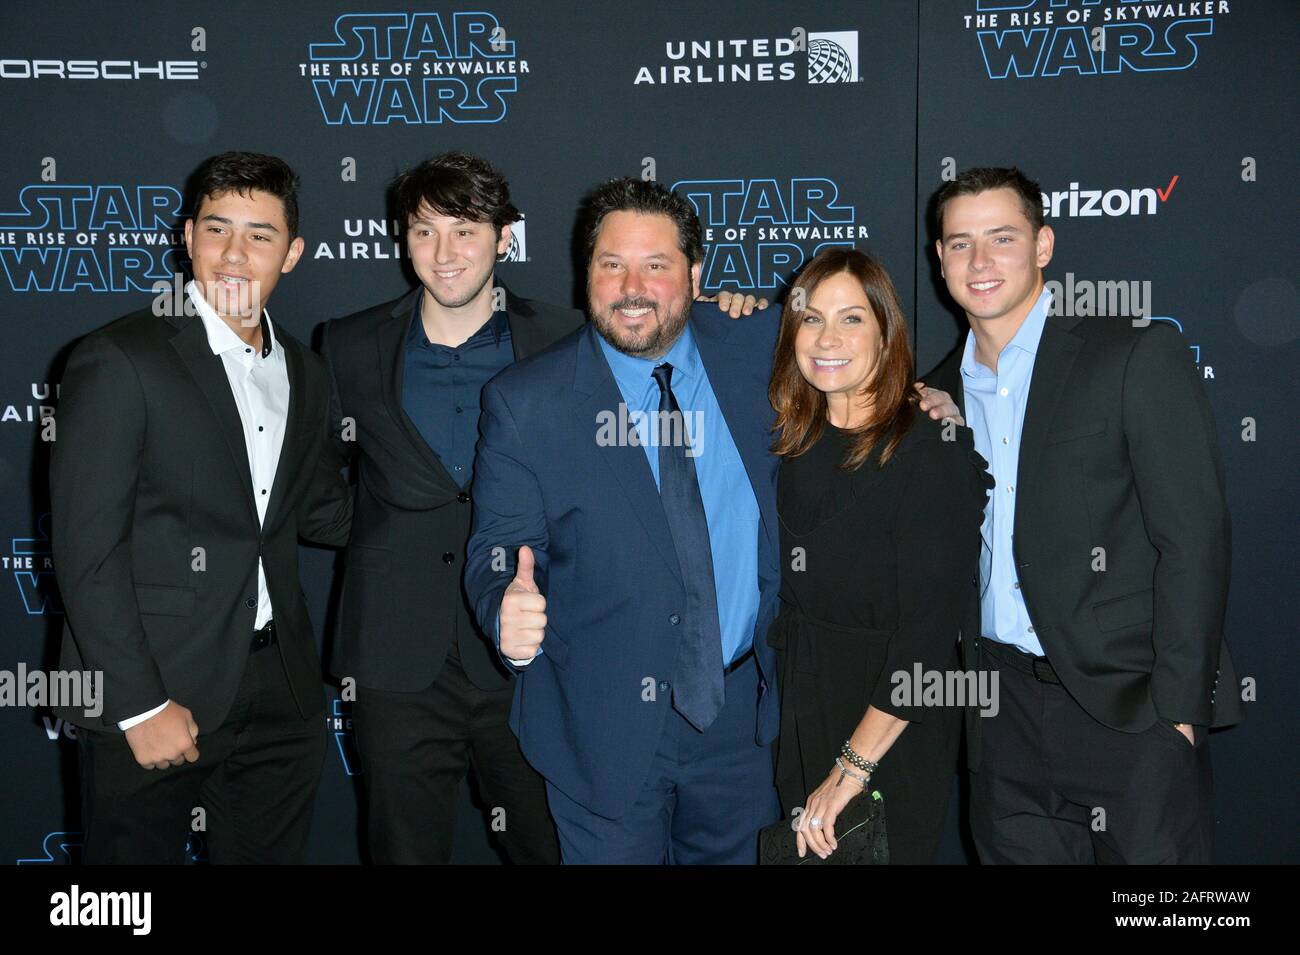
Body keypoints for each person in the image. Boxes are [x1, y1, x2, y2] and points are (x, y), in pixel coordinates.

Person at [322, 154, 765, 864]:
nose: (444, 253)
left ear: (505, 238)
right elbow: (318, 485)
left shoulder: (596, 339)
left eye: (465, 230)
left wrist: (930, 400)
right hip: (415, 661)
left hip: (621, 684)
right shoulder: (353, 346)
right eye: (425, 232)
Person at [924, 166, 1244, 863]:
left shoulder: (1131, 352)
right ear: (939, 258)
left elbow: (1195, 539)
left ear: (1043, 245)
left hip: (1130, 714)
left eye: (1001, 238)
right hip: (999, 719)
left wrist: (1180, 714)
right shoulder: (933, 394)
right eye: (959, 243)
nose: (979, 262)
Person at [463, 178, 786, 863]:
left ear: (697, 274)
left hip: (741, 724)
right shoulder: (528, 403)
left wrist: (928, 398)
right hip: (598, 725)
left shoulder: (759, 348)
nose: (631, 286)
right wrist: (503, 609)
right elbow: (499, 548)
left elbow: (864, 375)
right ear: (586, 274)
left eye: (656, 265)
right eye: (611, 264)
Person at [50, 151, 352, 863]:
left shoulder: (304, 371)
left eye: (261, 234)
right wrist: (138, 703)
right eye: (218, 230)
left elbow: (320, 514)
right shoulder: (120, 357)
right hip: (156, 688)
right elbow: (87, 551)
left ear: (294, 252)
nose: (236, 255)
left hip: (282, 693)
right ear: (187, 238)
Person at [768, 248, 992, 863]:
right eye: (810, 319)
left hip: (889, 725)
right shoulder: (795, 440)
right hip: (803, 705)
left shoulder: (929, 451)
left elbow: (926, 639)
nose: (827, 337)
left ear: (886, 331)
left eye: (852, 318)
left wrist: (851, 768)